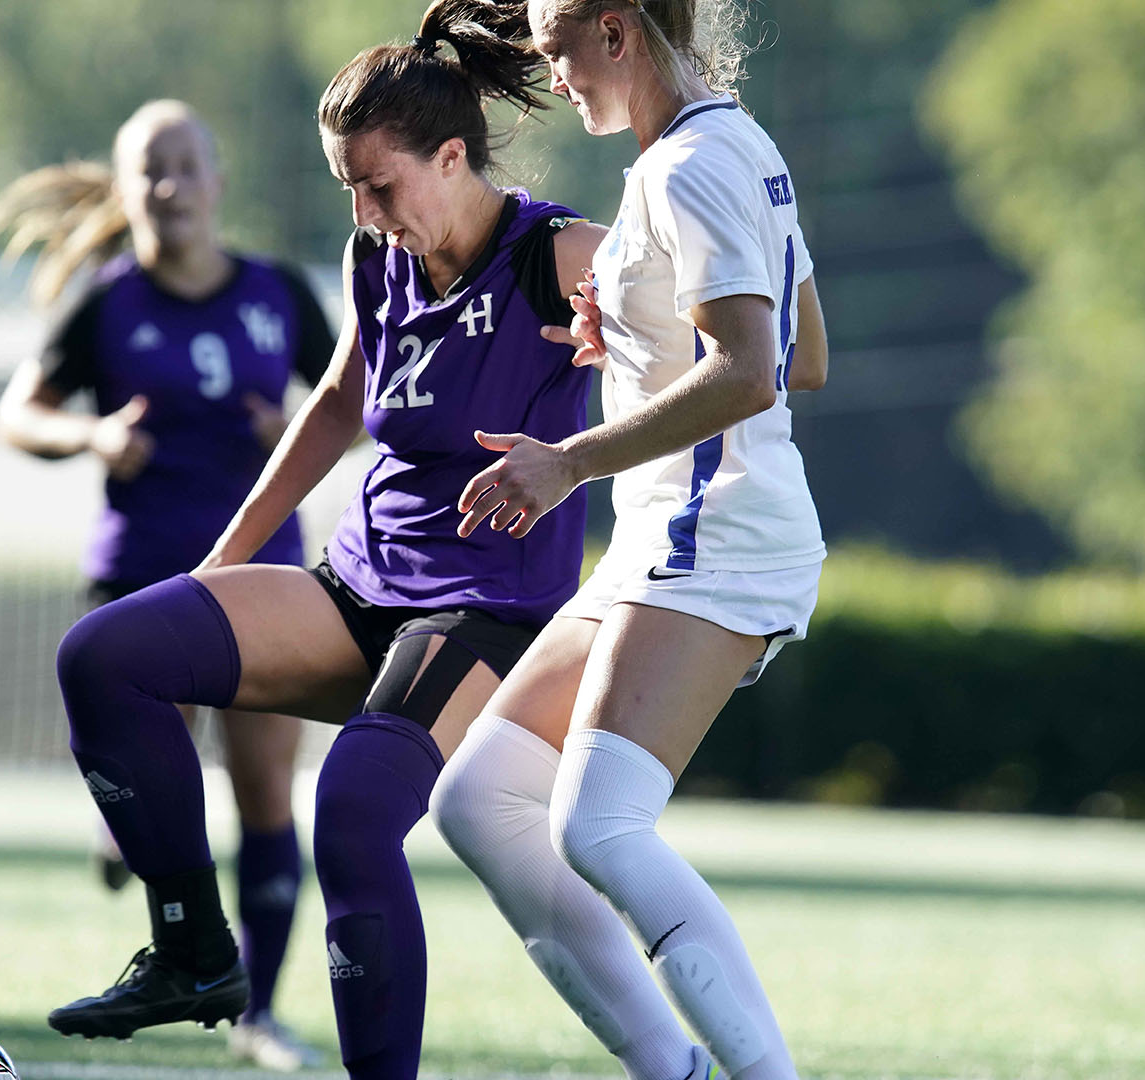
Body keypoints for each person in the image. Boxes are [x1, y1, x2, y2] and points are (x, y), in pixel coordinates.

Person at [41, 3, 608, 1076]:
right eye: (348, 186)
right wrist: (229, 558)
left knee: (349, 812)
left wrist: (576, 460)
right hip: (356, 586)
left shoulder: (563, 253)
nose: (365, 209)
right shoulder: (376, 255)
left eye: (380, 184)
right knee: (108, 657)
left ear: (453, 157)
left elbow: (717, 367)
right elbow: (342, 399)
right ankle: (194, 953)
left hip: (486, 613)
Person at [429, 3, 831, 1080]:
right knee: (479, 801)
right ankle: (678, 1070)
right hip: (671, 530)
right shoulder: (729, 140)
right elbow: (808, 352)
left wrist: (567, 462)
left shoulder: (687, 165)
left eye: (557, 44)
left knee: (598, 831)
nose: (549, 71)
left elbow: (751, 370)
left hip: (719, 534)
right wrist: (642, 339)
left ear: (616, 31)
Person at [0, 99, 333, 1070]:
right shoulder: (107, 302)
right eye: (150, 170)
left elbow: (361, 400)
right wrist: (91, 436)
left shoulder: (276, 294)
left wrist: (290, 439)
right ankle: (127, 836)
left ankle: (257, 1013)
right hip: (141, 583)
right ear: (127, 190)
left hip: (261, 581)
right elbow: (21, 413)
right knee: (156, 782)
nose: (170, 186)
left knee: (266, 790)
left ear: (220, 182)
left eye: (186, 166)